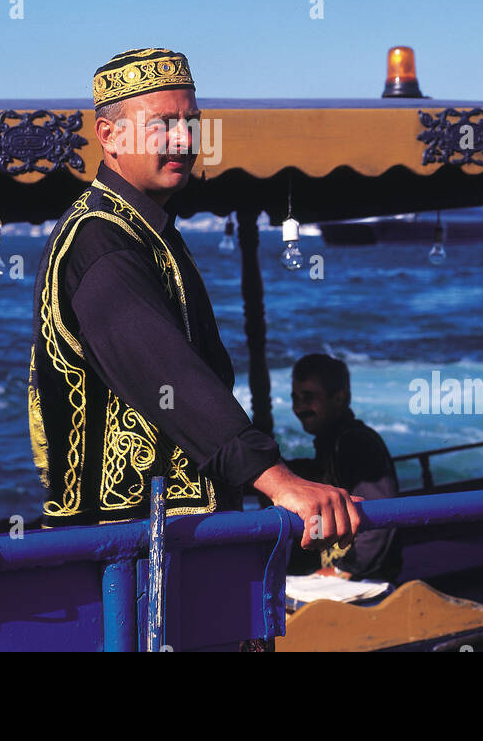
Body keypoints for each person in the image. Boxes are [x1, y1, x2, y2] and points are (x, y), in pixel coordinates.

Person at [28, 47, 362, 559]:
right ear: (109, 135)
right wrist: (278, 481)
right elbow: (168, 375)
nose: (184, 140)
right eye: (162, 124)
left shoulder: (146, 233)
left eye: (192, 123)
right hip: (131, 548)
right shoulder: (100, 240)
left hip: (170, 537)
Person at [286, 354, 402, 582]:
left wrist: (346, 570)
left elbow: (381, 513)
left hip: (365, 581)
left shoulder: (356, 442)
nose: (299, 407)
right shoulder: (331, 443)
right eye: (295, 398)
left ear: (339, 399)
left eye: (308, 397)